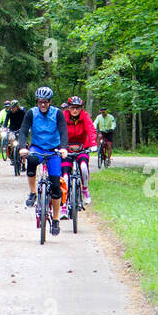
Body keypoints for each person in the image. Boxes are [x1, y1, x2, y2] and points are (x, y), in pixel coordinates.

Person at [20, 86, 67, 237]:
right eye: (40, 102)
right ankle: (33, 193)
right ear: (37, 102)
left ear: (50, 102)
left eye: (46, 102)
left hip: (54, 150)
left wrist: (64, 148)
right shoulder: (31, 113)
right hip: (37, 148)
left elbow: (63, 131)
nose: (43, 105)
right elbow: (23, 130)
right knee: (31, 160)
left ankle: (55, 219)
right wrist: (22, 147)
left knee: (55, 186)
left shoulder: (57, 113)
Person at [61, 95, 98, 207]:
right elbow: (58, 131)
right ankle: (64, 203)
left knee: (83, 167)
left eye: (78, 107)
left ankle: (85, 190)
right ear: (68, 108)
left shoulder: (85, 116)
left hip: (82, 148)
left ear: (81, 108)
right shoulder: (63, 116)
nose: (75, 110)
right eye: (72, 107)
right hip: (66, 149)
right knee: (65, 176)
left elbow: (90, 129)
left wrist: (93, 144)